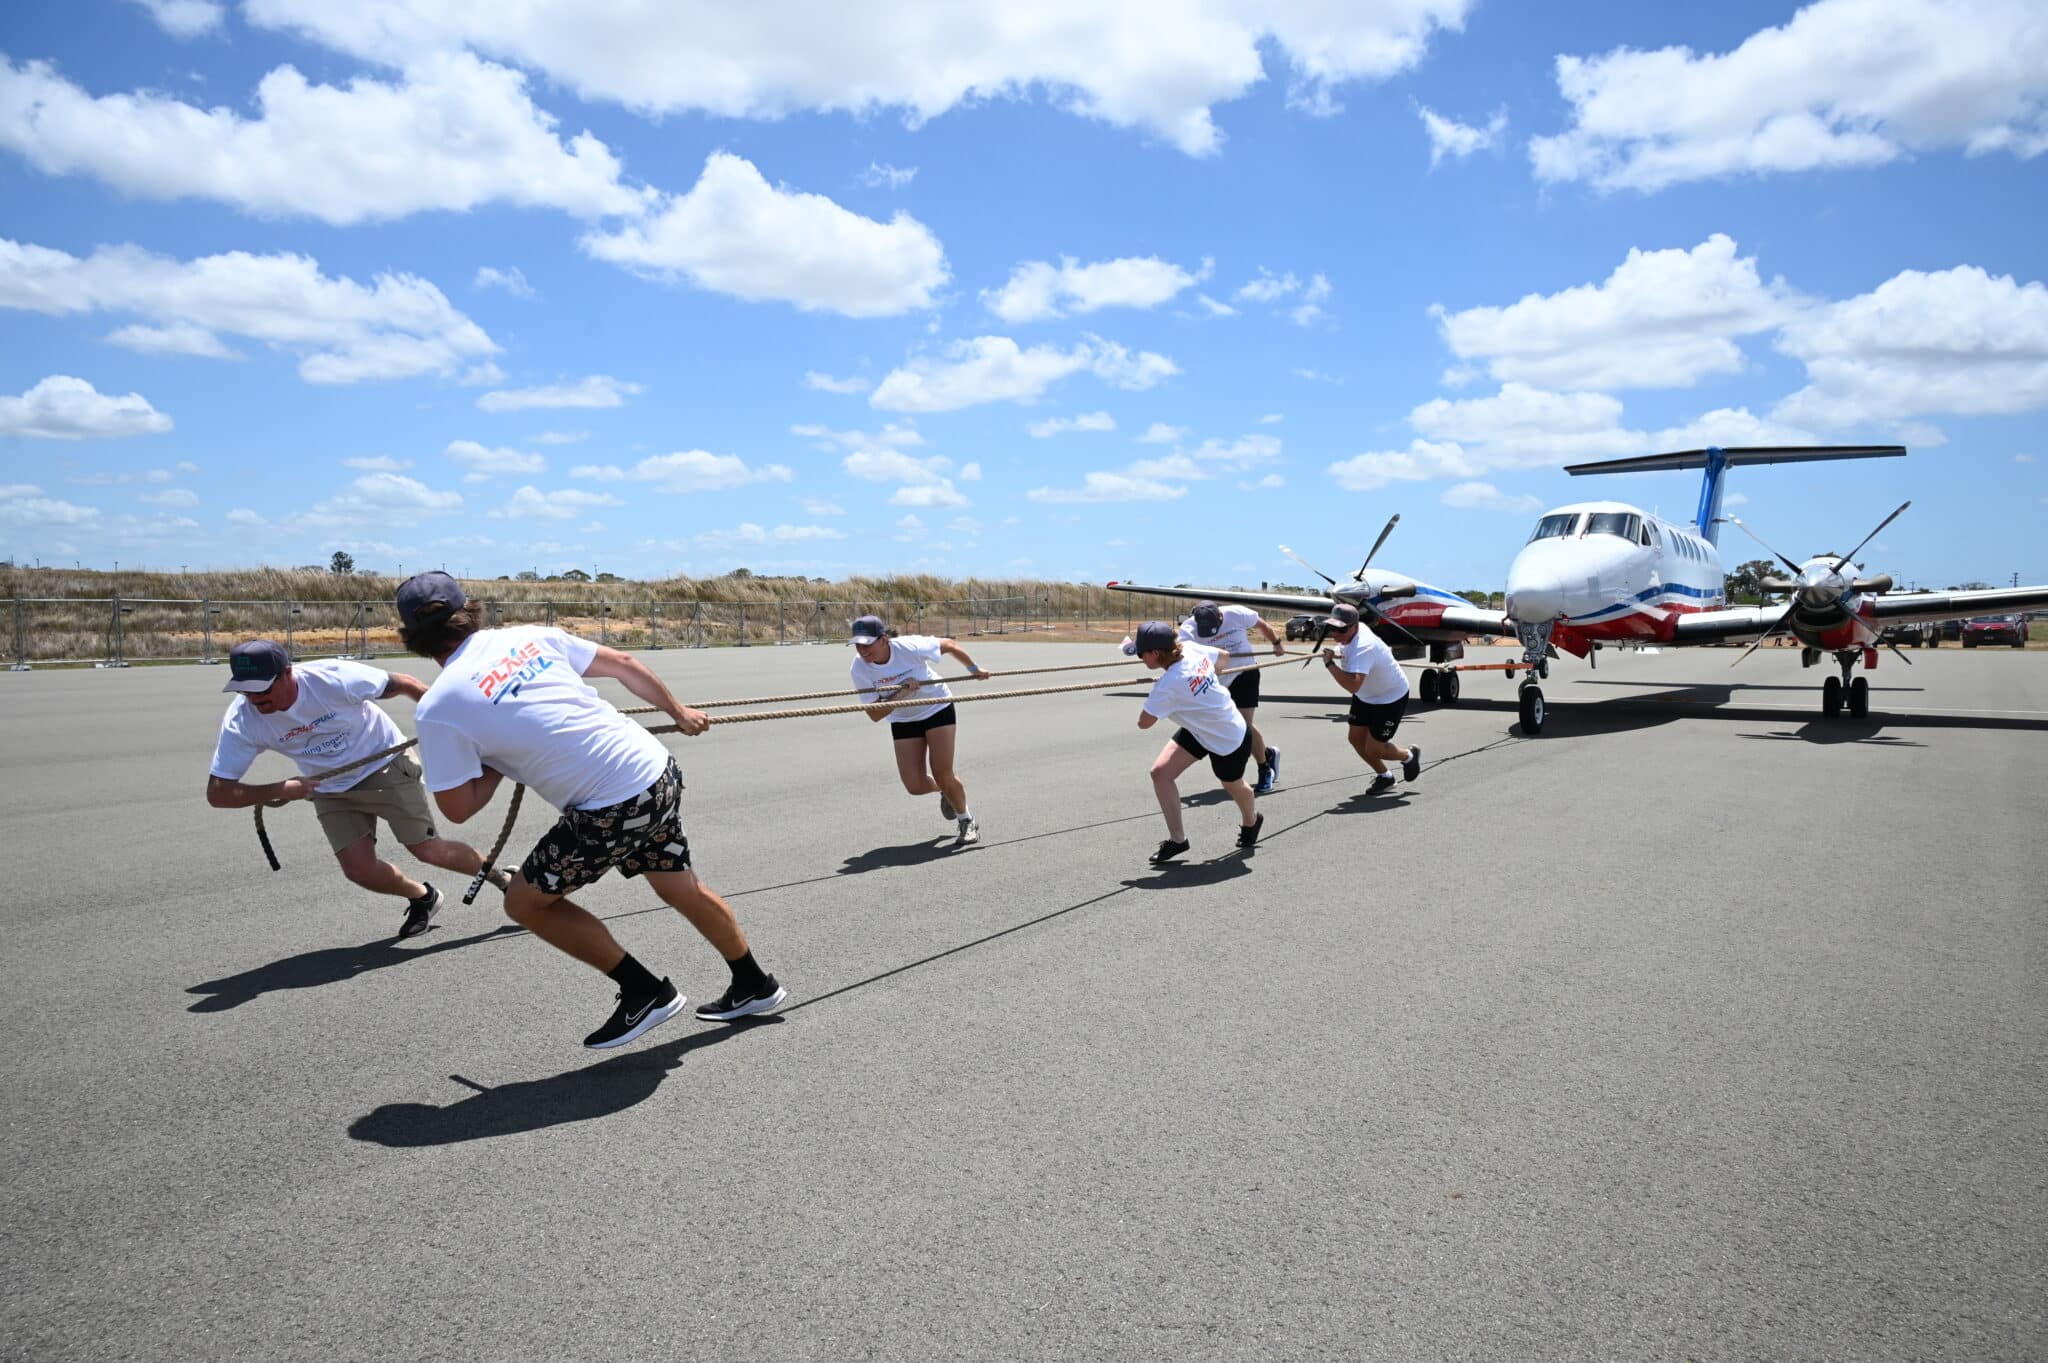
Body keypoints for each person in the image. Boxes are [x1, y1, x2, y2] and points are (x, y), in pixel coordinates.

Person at [397, 572, 785, 1050]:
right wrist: (678, 712)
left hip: (612, 807)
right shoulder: (527, 635)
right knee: (678, 886)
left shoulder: (438, 708)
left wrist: (492, 757)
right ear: (469, 610)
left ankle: (647, 994)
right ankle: (754, 983)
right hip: (654, 774)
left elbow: (458, 809)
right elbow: (623, 663)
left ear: (411, 639)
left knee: (523, 902)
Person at [205, 638, 510, 940]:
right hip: (328, 785)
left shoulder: (331, 679)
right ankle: (423, 898)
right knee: (359, 870)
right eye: (244, 690)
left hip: (385, 764)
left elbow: (406, 684)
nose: (254, 699)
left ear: (287, 673)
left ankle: (505, 879)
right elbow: (218, 793)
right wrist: (280, 788)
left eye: (262, 689)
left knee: (427, 850)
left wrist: (458, 723)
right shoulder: (243, 720)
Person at [1131, 619, 1262, 866]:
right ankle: (1178, 840)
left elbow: (1144, 723)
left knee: (1233, 785)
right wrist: (1205, 679)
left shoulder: (1168, 685)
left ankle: (1252, 821)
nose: (1139, 658)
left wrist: (1162, 690)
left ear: (1156, 653)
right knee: (1160, 773)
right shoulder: (1189, 648)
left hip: (1228, 736)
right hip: (1198, 729)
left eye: (1141, 654)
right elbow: (1223, 657)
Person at [849, 614, 989, 845]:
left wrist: (973, 668)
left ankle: (966, 820)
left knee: (943, 771)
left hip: (936, 707)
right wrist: (901, 693)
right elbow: (874, 714)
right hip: (903, 718)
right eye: (857, 644)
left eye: (867, 643)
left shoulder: (909, 647)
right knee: (914, 785)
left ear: (883, 639)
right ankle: (947, 789)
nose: (862, 650)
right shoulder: (859, 668)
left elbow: (950, 645)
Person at [1178, 601, 1286, 794]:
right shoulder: (1189, 627)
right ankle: (1268, 753)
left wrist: (1276, 643)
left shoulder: (1236, 613)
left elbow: (1262, 625)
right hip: (1216, 678)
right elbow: (1181, 653)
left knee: (1244, 724)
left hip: (1245, 672)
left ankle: (1264, 767)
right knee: (1227, 722)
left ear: (1220, 617)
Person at [1319, 603, 1422, 793]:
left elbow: (1352, 685)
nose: (1335, 633)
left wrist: (1330, 664)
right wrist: (1337, 650)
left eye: (1340, 629)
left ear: (1354, 626)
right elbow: (1348, 649)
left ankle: (1408, 756)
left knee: (1374, 749)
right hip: (1366, 695)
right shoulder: (1356, 631)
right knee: (1356, 739)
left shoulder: (1364, 648)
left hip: (1390, 697)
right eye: (1332, 628)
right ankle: (1386, 777)